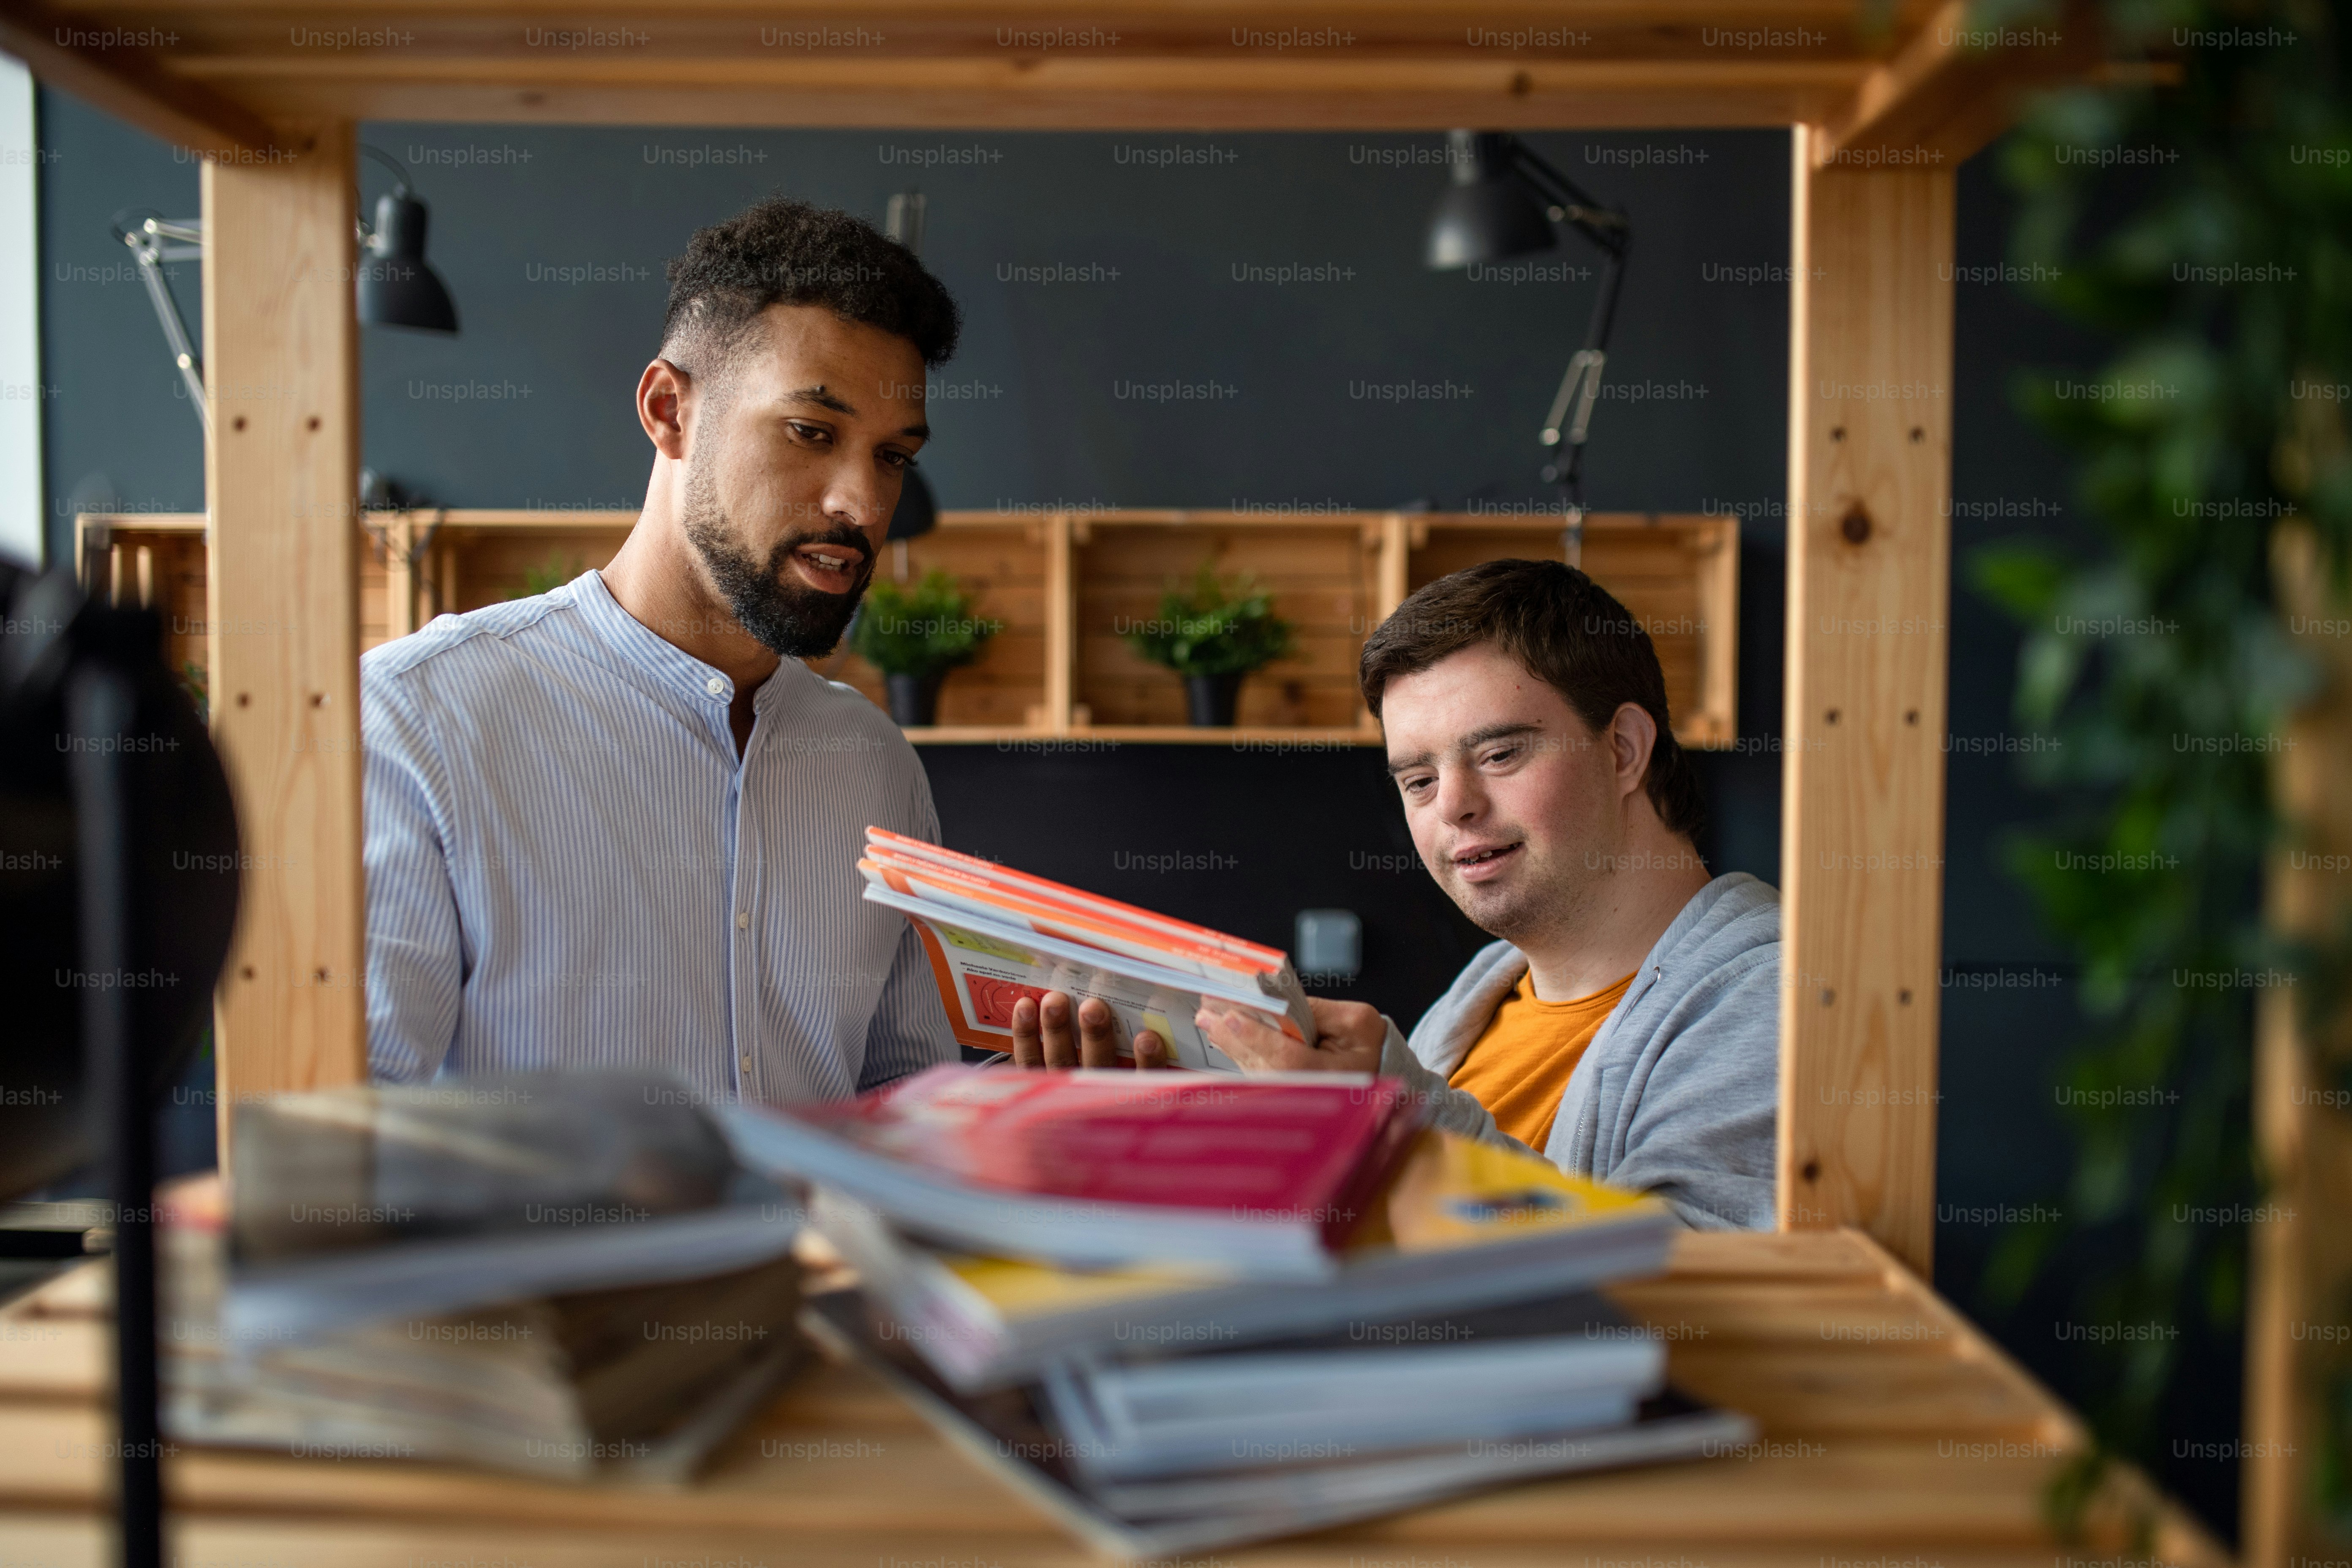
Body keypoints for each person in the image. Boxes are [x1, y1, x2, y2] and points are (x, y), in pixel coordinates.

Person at [362, 197, 965, 1100]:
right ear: (668, 409)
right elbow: (341, 1136)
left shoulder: (875, 765)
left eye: (892, 456)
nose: (863, 504)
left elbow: (911, 1108)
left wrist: (1063, 1091)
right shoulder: (418, 721)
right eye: (812, 432)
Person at [1011, 558, 1780, 1230]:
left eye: (1501, 753)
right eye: (1419, 779)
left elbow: (1690, 1295)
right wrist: (1151, 1138)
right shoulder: (1473, 1004)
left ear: (1623, 750)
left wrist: (1388, 1116)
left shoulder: (1776, 998)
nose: (1454, 805)